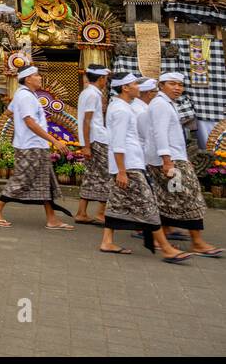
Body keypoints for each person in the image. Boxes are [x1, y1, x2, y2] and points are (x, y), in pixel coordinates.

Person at [100, 74, 191, 262]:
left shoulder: (122, 107)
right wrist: (122, 171)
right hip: (128, 165)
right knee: (148, 206)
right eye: (134, 84)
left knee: (117, 203)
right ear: (125, 88)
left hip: (129, 162)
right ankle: (165, 248)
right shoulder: (121, 110)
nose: (137, 87)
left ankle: (107, 240)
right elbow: (117, 142)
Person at [0, 66, 72, 230]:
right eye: (36, 75)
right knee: (21, 179)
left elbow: (10, 113)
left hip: (35, 144)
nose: (40, 78)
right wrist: (54, 140)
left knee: (45, 181)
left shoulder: (24, 95)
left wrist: (20, 125)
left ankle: (51, 218)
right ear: (28, 79)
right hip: (30, 145)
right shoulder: (25, 96)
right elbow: (30, 122)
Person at [146, 72, 221, 257]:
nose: (178, 88)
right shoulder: (160, 105)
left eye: (180, 84)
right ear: (161, 85)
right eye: (173, 84)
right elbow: (160, 134)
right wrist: (167, 161)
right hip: (170, 161)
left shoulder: (166, 104)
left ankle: (161, 236)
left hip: (173, 158)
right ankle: (197, 242)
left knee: (170, 197)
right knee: (190, 197)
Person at [74, 66, 110, 225]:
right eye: (105, 79)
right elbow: (87, 121)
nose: (106, 82)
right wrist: (86, 145)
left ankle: (82, 212)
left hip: (93, 138)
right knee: (107, 174)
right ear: (101, 79)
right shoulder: (92, 95)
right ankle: (101, 212)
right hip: (96, 139)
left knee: (92, 175)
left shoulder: (89, 93)